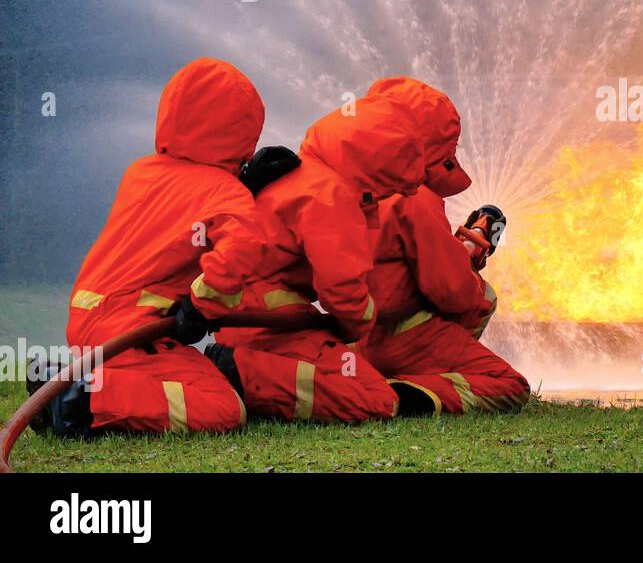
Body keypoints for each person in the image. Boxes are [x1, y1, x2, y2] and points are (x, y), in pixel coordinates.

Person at [50, 58, 266, 436]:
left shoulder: (140, 172)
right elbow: (242, 249)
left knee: (182, 377)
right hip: (133, 332)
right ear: (244, 132)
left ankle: (78, 380)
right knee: (223, 407)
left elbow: (175, 216)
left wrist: (239, 183)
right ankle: (84, 400)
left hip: (88, 320)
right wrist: (200, 306)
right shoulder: (226, 194)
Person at [203, 93, 424, 423]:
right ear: (382, 168)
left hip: (247, 320)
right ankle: (238, 373)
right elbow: (342, 291)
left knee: (339, 375)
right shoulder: (333, 197)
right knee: (377, 399)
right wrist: (361, 322)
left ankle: (245, 374)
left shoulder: (305, 174)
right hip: (270, 324)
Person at [362, 77, 530, 415]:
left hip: (360, 338)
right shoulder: (414, 199)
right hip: (408, 337)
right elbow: (450, 292)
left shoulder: (351, 188)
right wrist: (469, 264)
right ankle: (410, 393)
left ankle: (394, 380)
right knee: (510, 385)